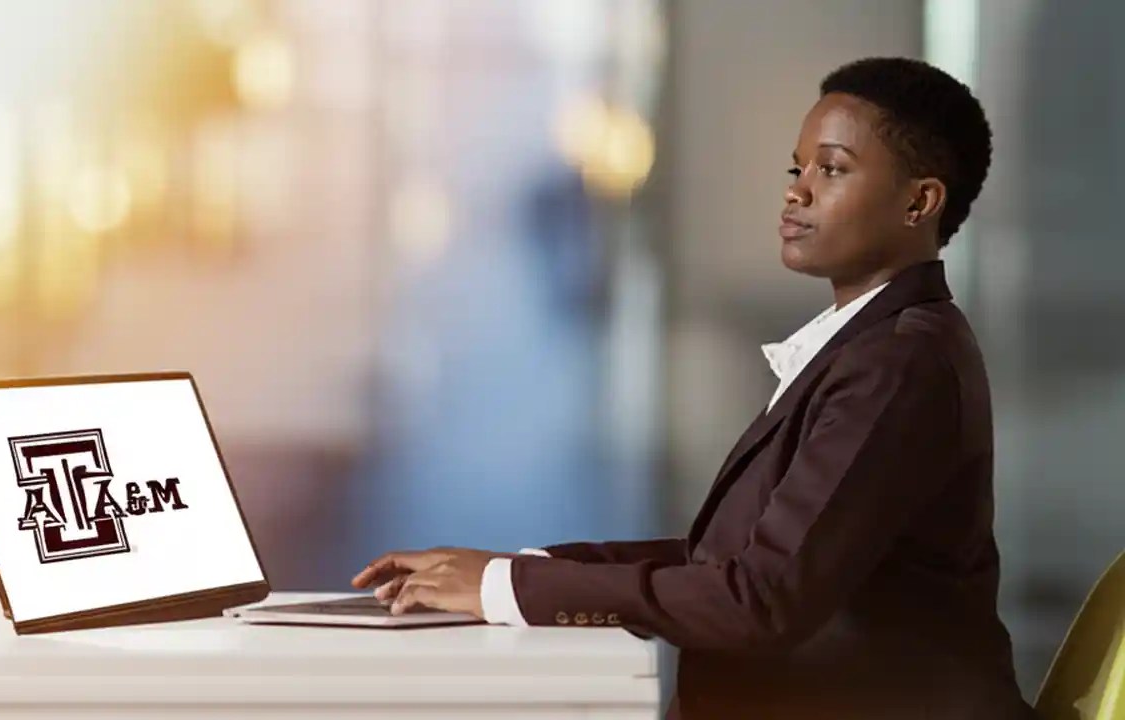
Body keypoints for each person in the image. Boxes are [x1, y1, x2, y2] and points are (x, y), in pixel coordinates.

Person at [352, 56, 1034, 719]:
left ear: (919, 201)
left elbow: (761, 598)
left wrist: (505, 587)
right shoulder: (867, 344)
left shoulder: (895, 364)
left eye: (832, 169)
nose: (796, 191)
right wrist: (510, 572)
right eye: (798, 168)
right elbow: (734, 562)